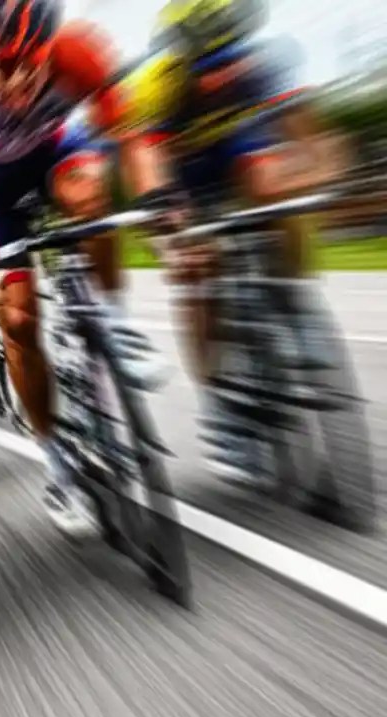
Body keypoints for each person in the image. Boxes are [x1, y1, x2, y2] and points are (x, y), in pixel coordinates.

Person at [0, 0, 168, 537]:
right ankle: (59, 463)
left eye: (29, 65)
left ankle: (112, 322)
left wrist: (157, 197)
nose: (16, 80)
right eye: (1, 68)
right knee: (17, 319)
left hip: (53, 155)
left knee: (91, 193)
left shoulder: (78, 50)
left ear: (48, 49)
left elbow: (131, 137)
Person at [120, 0, 339, 486]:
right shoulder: (157, 85)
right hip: (182, 174)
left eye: (229, 61)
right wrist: (170, 227)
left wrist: (318, 180)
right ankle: (218, 405)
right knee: (195, 273)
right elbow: (145, 163)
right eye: (207, 68)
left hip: (239, 152)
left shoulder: (265, 65)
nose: (221, 77)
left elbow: (313, 142)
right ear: (181, 60)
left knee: (276, 188)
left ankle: (295, 300)